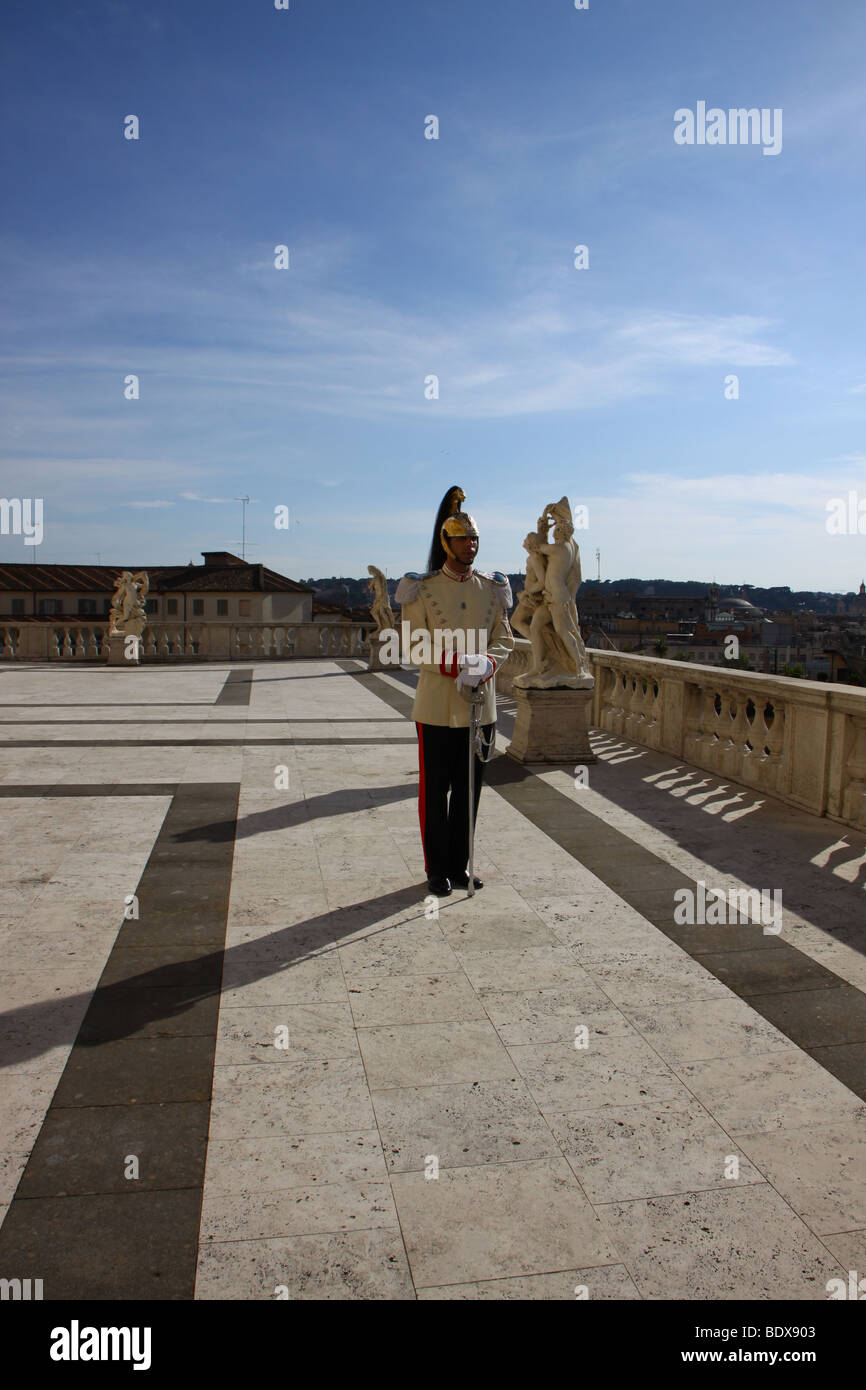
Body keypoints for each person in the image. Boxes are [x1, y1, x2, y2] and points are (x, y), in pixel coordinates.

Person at [396, 486, 514, 896]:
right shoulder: (421, 588)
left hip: (481, 708)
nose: (471, 546)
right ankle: (437, 868)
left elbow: (505, 638)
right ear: (446, 542)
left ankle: (460, 866)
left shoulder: (492, 588)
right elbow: (413, 644)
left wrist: (488, 663)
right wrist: (457, 664)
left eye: (475, 539)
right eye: (464, 539)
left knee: (469, 791)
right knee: (435, 790)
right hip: (436, 707)